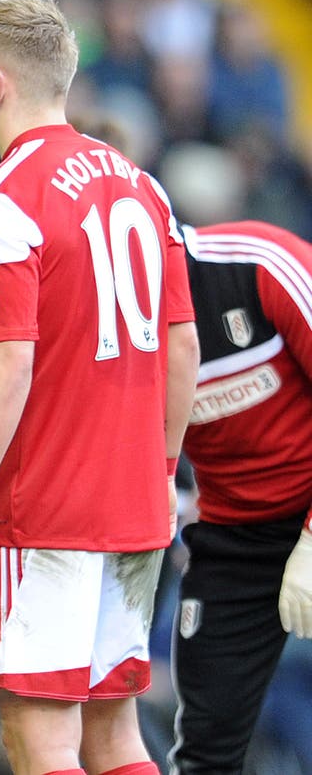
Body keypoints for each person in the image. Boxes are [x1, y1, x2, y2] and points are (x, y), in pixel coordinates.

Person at [0, 0, 201, 775]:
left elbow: (9, 359)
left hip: (40, 511)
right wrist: (157, 468)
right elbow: (182, 347)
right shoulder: (143, 186)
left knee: (39, 742)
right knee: (115, 738)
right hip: (135, 508)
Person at [169, 219, 312, 773]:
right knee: (207, 745)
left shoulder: (259, 262)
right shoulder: (104, 311)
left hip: (305, 512)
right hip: (233, 538)